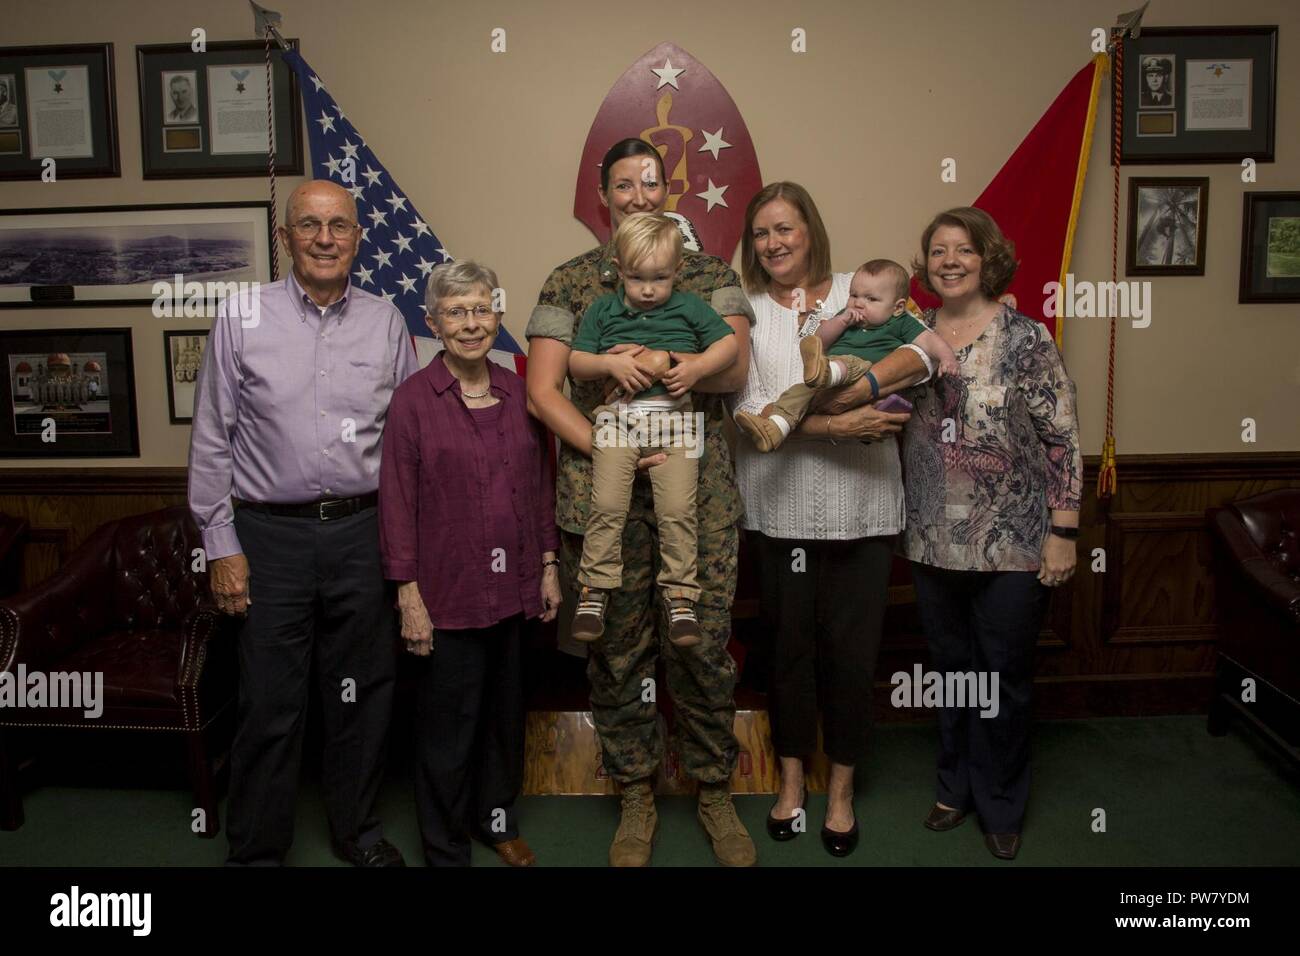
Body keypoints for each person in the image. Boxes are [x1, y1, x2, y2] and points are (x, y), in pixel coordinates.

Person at [525, 137, 756, 867]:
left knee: (703, 648)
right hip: (607, 495)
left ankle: (714, 788)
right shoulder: (570, 283)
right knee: (617, 655)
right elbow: (541, 391)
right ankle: (635, 794)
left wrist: (672, 366)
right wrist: (607, 445)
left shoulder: (710, 274)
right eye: (622, 185)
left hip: (699, 495)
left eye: (649, 182)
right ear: (603, 195)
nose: (637, 195)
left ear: (667, 189)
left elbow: (734, 371)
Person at [188, 179, 416, 867]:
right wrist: (220, 545)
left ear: (357, 237)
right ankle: (258, 850)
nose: (324, 238)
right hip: (270, 539)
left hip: (362, 533)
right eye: (310, 226)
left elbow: (407, 447)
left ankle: (357, 835)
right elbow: (209, 441)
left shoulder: (387, 322)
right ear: (285, 237)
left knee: (362, 699)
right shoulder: (242, 317)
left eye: (339, 226)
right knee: (270, 703)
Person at [731, 182, 933, 857]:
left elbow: (929, 353)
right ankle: (791, 783)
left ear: (810, 231)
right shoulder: (746, 310)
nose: (774, 243)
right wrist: (839, 425)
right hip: (780, 513)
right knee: (788, 655)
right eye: (761, 233)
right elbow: (751, 412)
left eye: (785, 228)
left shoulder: (864, 288)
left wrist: (873, 385)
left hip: (864, 513)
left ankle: (840, 792)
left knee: (852, 658)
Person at [901, 207, 1081, 861]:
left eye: (964, 250)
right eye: (938, 250)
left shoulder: (1026, 336)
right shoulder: (910, 334)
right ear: (926, 266)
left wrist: (1064, 530)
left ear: (987, 259)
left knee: (1001, 676)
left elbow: (1062, 435)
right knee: (951, 673)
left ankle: (1000, 802)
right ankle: (954, 787)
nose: (950, 260)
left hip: (1014, 539)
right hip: (931, 536)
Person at [380, 260, 562, 867]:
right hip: (447, 595)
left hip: (513, 589)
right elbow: (398, 505)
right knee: (448, 730)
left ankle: (498, 823)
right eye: (455, 312)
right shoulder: (412, 402)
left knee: (504, 723)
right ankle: (444, 844)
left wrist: (547, 564)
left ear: (498, 316)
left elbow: (541, 484)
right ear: (432, 323)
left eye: (481, 309)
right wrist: (408, 596)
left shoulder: (520, 391)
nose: (470, 323)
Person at [568, 213, 738, 646]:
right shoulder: (602, 309)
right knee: (606, 503)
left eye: (659, 278)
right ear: (619, 271)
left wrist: (696, 367)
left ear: (678, 272)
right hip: (617, 422)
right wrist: (610, 363)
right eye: (637, 278)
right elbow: (575, 363)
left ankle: (680, 596)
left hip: (676, 423)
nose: (648, 289)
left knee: (678, 511)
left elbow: (729, 345)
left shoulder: (690, 307)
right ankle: (595, 589)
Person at [735, 258, 958, 452]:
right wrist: (840, 321)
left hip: (864, 372)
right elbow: (819, 340)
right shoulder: (847, 315)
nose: (858, 303)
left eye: (871, 299)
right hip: (827, 382)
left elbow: (929, 342)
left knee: (849, 363)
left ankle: (826, 372)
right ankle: (776, 428)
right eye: (854, 295)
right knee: (798, 393)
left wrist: (947, 357)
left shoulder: (901, 322)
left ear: (897, 307)